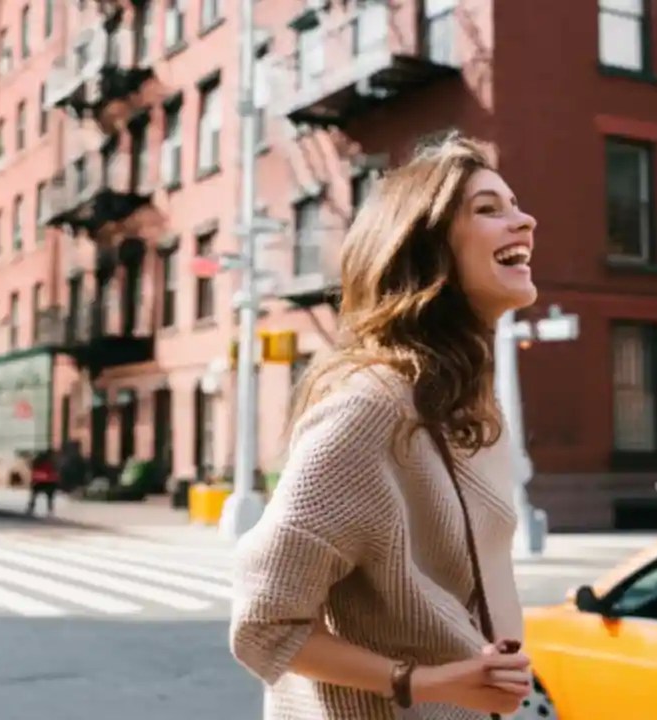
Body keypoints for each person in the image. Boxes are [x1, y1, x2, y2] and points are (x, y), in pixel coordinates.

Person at [229, 134, 537, 719]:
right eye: (488, 209)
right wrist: (428, 682)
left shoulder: (465, 405)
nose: (524, 221)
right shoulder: (371, 409)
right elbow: (264, 623)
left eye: (515, 205)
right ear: (426, 249)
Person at [26, 449, 59, 516]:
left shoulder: (39, 460)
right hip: (49, 481)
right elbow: (55, 471)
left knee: (34, 495)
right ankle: (50, 510)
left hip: (39, 481)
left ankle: (31, 508)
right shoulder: (52, 461)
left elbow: (32, 466)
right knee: (50, 497)